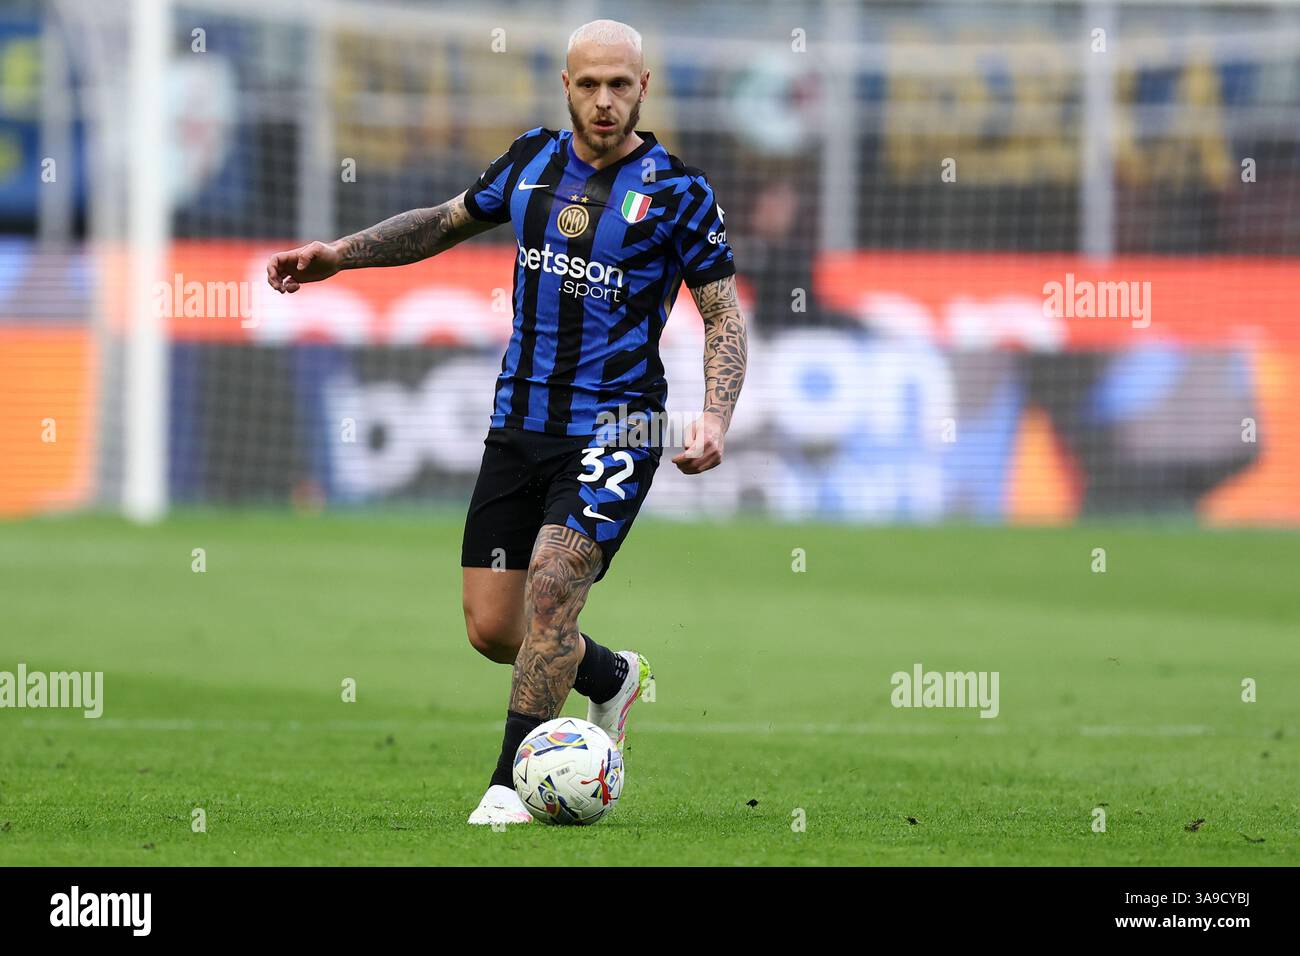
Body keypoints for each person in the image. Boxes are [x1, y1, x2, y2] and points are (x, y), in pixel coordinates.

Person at [266, 19, 748, 825]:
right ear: (565, 85)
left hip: (620, 426)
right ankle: (611, 677)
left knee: (557, 585)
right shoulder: (530, 160)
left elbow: (723, 316)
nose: (603, 101)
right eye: (588, 84)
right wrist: (337, 256)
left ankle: (507, 785)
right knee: (498, 630)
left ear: (643, 88)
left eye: (619, 85)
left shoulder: (678, 193)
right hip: (519, 420)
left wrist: (716, 416)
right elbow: (442, 221)